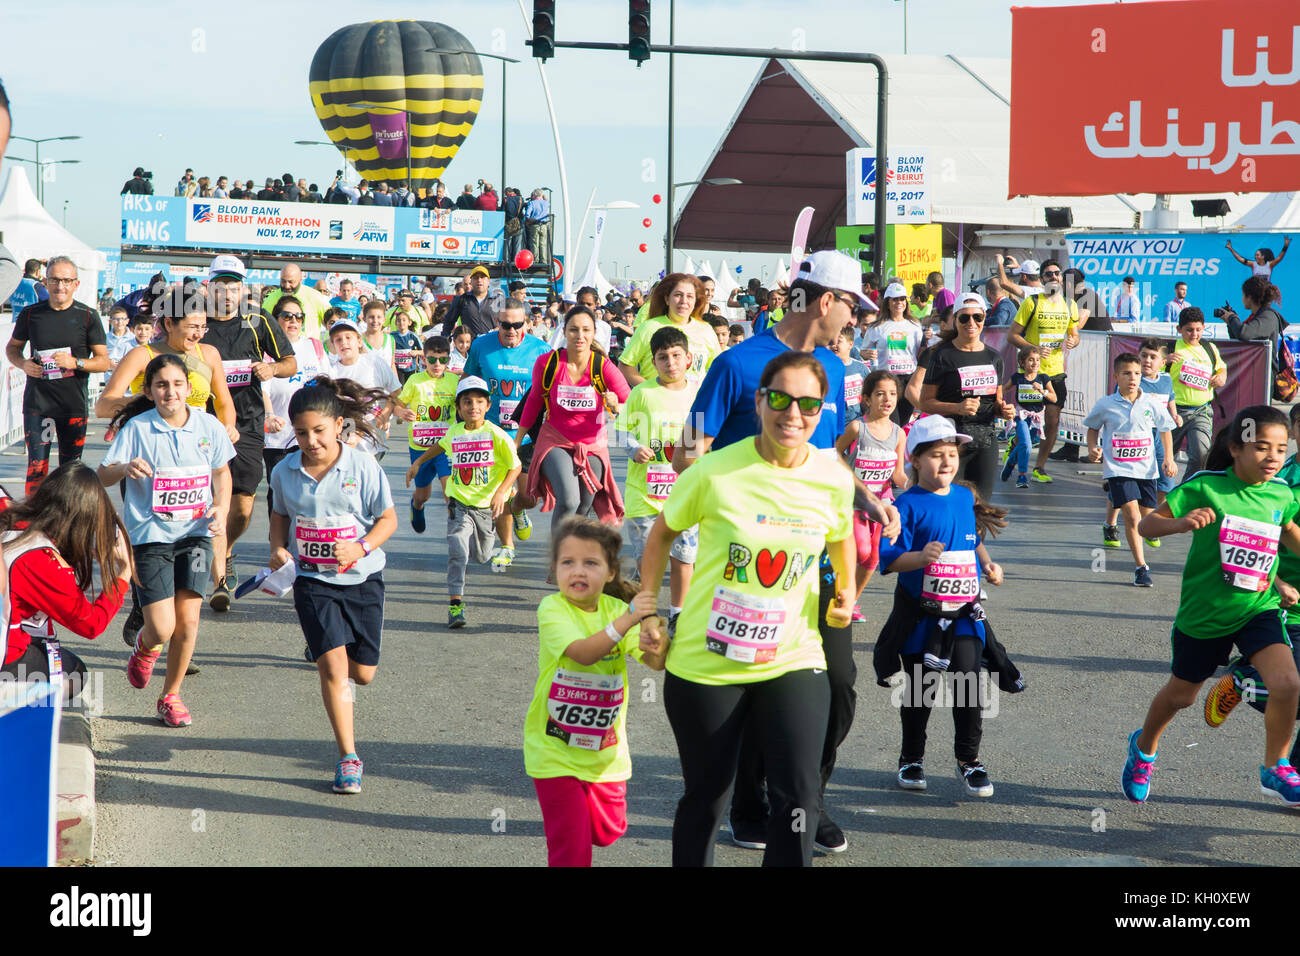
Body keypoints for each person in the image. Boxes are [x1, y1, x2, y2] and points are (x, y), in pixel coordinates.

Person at [675, 251, 898, 857]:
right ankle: (750, 809)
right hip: (745, 571)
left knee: (841, 688)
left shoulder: (830, 369)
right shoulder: (735, 363)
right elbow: (685, 451)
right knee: (750, 690)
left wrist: (869, 499)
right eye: (852, 306)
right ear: (825, 299)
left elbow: (831, 455)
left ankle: (802, 802)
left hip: (821, 566)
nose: (853, 319)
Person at [636, 351, 856, 866]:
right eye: (779, 398)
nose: (792, 413)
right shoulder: (714, 471)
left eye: (807, 403)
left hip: (792, 655)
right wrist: (649, 610)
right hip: (707, 661)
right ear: (759, 401)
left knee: (798, 797)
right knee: (707, 796)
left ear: (822, 411)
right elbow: (662, 532)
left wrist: (847, 588)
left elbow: (842, 535)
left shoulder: (833, 476)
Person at [1125, 405, 1300, 807]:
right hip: (1205, 615)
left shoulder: (1280, 493)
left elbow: (1286, 530)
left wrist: (1280, 579)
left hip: (1258, 607)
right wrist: (1180, 523)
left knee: (1288, 683)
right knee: (1182, 696)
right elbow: (1148, 524)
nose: (1272, 457)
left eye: (1279, 448)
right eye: (1261, 447)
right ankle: (1144, 749)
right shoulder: (1205, 486)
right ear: (1236, 448)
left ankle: (1276, 765)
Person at [873, 416, 1021, 798]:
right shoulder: (905, 505)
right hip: (921, 616)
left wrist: (988, 563)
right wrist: (920, 558)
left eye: (951, 454)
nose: (946, 462)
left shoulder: (963, 497)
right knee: (921, 692)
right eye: (936, 455)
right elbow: (888, 560)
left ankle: (969, 761)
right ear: (915, 460)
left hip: (965, 614)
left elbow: (971, 539)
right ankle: (911, 758)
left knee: (970, 686)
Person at [269, 377, 398, 793]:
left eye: (319, 431)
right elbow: (280, 517)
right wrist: (277, 549)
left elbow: (388, 520)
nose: (311, 441)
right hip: (312, 580)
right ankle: (348, 757)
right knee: (334, 669)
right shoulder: (284, 471)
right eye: (302, 433)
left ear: (339, 425)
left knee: (363, 674)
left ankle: (334, 650)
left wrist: (360, 547)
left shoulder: (363, 466)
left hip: (362, 578)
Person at [100, 354, 236, 726]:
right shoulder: (137, 429)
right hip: (150, 537)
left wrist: (221, 508)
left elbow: (222, 474)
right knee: (161, 627)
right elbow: (102, 476)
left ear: (189, 389)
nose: (170, 392)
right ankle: (145, 647)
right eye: (161, 385)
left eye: (177, 384)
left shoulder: (209, 427)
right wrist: (124, 468)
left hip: (194, 535)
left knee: (188, 622)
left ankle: (170, 696)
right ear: (149, 391)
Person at [524, 517, 666, 867]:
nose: (578, 571)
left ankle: (589, 823)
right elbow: (584, 654)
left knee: (607, 832)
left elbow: (654, 663)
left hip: (606, 755)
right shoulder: (552, 609)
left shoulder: (617, 610)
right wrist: (629, 619)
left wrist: (655, 640)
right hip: (554, 749)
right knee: (571, 852)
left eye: (591, 563)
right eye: (567, 562)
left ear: (611, 571)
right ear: (555, 569)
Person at [198, 254, 297, 611]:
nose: (228, 292)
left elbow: (291, 362)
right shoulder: (195, 320)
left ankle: (226, 549)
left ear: (242, 289)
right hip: (200, 422)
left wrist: (271, 370)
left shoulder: (256, 320)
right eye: (221, 285)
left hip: (248, 422)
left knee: (241, 505)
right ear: (209, 286)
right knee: (209, 502)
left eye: (235, 286)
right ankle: (217, 579)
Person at [0, 463, 132, 704]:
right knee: (74, 671)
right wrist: (123, 574)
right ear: (80, 521)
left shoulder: (12, 519)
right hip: (5, 660)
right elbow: (91, 624)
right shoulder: (42, 560)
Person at [405, 376, 521, 629]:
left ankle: (514, 512)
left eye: (479, 401)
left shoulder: (496, 434)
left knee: (482, 556)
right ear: (458, 408)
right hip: (459, 504)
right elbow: (439, 446)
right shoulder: (454, 432)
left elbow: (516, 465)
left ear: (488, 405)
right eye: (467, 402)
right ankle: (455, 605)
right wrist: (418, 463)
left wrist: (502, 492)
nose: (473, 407)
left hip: (486, 507)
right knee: (458, 547)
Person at [515, 306, 631, 538]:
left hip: (592, 445)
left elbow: (632, 403)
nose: (580, 336)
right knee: (569, 500)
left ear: (594, 332)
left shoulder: (603, 367)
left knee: (583, 506)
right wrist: (517, 441)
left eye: (586, 330)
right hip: (555, 440)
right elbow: (535, 401)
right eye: (574, 330)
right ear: (564, 332)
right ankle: (557, 564)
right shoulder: (548, 363)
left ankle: (573, 558)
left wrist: (617, 405)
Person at [5, 256, 111, 496]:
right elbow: (12, 348)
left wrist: (76, 362)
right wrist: (23, 364)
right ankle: (34, 524)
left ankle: (68, 521)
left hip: (72, 405)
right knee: (36, 467)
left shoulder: (88, 316)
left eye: (66, 280)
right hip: (38, 404)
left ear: (76, 284)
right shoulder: (31, 314)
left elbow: (103, 361)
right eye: (54, 280)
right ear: (45, 282)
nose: (60, 286)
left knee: (71, 471)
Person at [618, 326, 698, 625]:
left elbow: (701, 438)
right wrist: (634, 449)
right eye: (662, 357)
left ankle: (678, 613)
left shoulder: (697, 394)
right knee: (647, 558)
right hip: (644, 494)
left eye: (676, 355)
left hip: (684, 494)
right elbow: (622, 431)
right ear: (653, 361)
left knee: (683, 557)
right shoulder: (641, 394)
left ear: (688, 358)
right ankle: (646, 611)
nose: (670, 363)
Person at [1084, 352, 1177, 588]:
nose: (1133, 378)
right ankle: (1141, 568)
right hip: (1118, 470)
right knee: (1132, 516)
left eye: (1136, 373)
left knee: (1148, 518)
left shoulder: (1151, 403)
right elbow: (1092, 428)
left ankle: (1129, 540)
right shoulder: (1105, 404)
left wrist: (1168, 458)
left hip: (1146, 470)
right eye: (1126, 373)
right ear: (1116, 376)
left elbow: (1166, 429)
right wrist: (1093, 447)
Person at [919, 293, 1017, 501]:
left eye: (977, 317)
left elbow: (996, 401)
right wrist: (957, 408)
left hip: (985, 441)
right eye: (964, 318)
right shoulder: (942, 355)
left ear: (984, 318)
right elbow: (925, 402)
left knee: (981, 506)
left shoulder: (993, 357)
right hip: (952, 442)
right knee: (952, 504)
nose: (971, 322)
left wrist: (1004, 410)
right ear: (955, 320)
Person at [835, 370, 907, 622]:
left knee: (874, 557)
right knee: (862, 549)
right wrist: (846, 477)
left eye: (892, 394)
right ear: (866, 398)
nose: (887, 399)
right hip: (854, 500)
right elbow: (835, 453)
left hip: (882, 501)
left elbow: (898, 474)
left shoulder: (899, 433)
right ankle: (837, 590)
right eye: (879, 394)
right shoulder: (857, 428)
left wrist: (916, 484)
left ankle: (852, 600)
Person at [1006, 259, 1080, 483]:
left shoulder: (1069, 304)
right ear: (1042, 279)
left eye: (1057, 273)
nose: (1054, 277)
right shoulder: (1032, 303)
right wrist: (1033, 348)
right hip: (1032, 373)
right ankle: (1016, 443)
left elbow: (1075, 335)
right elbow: (1012, 335)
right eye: (1048, 274)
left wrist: (1072, 342)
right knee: (1029, 423)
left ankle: (1040, 466)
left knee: (1052, 421)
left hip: (1056, 373)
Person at [262, 296, 328, 517]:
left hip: (312, 436)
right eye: (287, 316)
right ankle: (278, 545)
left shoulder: (314, 347)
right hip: (278, 437)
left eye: (299, 316)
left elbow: (329, 385)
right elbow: (264, 389)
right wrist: (269, 416)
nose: (294, 320)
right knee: (280, 494)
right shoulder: (267, 350)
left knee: (310, 491)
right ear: (276, 320)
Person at [393, 335, 457, 532]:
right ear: (423, 360)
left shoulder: (455, 382)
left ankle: (457, 535)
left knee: (450, 494)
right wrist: (401, 412)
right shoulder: (415, 381)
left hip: (445, 447)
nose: (437, 364)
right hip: (420, 447)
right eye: (432, 359)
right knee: (423, 495)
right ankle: (416, 506)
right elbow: (398, 404)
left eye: (443, 359)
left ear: (448, 360)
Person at [619, 274, 719, 388]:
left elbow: (719, 368)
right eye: (678, 295)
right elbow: (625, 365)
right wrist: (649, 390)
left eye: (690, 296)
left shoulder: (706, 330)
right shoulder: (648, 327)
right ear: (667, 299)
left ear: (696, 301)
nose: (683, 301)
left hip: (694, 404)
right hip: (656, 403)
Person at [1167, 307, 1226, 477]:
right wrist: (1165, 360)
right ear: (1179, 329)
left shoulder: (1210, 348)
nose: (1194, 334)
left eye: (1198, 330)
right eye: (1189, 330)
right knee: (1164, 456)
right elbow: (1149, 373)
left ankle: (1185, 491)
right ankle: (1159, 493)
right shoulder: (1170, 348)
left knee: (1201, 455)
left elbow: (1221, 368)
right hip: (1173, 412)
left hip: (1201, 411)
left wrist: (1221, 376)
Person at [858, 282, 923, 426]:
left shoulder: (915, 326)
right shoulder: (876, 327)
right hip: (887, 380)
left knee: (903, 424)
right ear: (888, 302)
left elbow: (920, 353)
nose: (899, 302)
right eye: (895, 299)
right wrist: (867, 354)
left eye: (902, 299)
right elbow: (863, 351)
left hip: (909, 380)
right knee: (892, 423)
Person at [999, 347, 1056, 489]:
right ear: (1022, 363)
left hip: (1036, 419)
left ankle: (1011, 463)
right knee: (1026, 445)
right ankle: (1022, 476)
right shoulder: (1017, 378)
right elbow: (1003, 389)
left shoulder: (1043, 378)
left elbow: (1054, 398)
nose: (1035, 363)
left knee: (1023, 446)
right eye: (1031, 360)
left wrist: (1043, 391)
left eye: (1037, 360)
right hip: (1022, 416)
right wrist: (999, 402)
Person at [263, 264, 331, 340]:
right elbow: (262, 327)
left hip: (308, 349)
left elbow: (333, 321)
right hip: (280, 348)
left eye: (291, 282)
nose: (287, 286)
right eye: (283, 281)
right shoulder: (271, 299)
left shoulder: (315, 297)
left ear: (300, 280)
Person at [440, 266, 504, 339]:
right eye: (476, 278)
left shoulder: (498, 299)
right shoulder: (461, 299)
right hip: (470, 346)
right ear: (471, 281)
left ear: (488, 281)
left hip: (493, 344)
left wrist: (497, 330)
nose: (479, 280)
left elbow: (506, 322)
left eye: (482, 277)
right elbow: (449, 322)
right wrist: (445, 339)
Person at [1226, 275, 1285, 343]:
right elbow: (1239, 342)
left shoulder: (1268, 316)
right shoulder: (1259, 316)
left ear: (1250, 297)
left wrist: (1231, 318)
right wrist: (1230, 323)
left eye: (1243, 295)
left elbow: (1244, 334)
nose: (1242, 299)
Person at [830, 325, 869, 424]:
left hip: (856, 424)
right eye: (831, 342)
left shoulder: (861, 368)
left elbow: (868, 396)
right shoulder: (824, 369)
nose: (834, 345)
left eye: (838, 341)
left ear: (850, 344)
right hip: (834, 424)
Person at [1226, 237, 1290, 279]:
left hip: (1266, 292)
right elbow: (1240, 259)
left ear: (1263, 256)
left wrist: (1286, 246)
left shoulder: (1270, 265)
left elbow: (1279, 257)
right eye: (1255, 255)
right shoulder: (1253, 264)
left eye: (1257, 255)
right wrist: (1230, 248)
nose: (1255, 257)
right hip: (1256, 292)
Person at [391, 311, 423, 384]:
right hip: (397, 368)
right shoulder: (392, 335)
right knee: (400, 387)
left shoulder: (413, 336)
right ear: (396, 323)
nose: (401, 322)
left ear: (409, 322)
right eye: (398, 320)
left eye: (404, 320)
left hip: (410, 368)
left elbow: (424, 351)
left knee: (409, 387)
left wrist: (416, 352)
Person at [525, 189, 551, 265]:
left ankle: (535, 260)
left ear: (534, 195)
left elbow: (527, 215)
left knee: (534, 243)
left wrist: (528, 222)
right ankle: (543, 260)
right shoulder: (546, 203)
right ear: (542, 195)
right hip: (544, 225)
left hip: (535, 225)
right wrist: (543, 195)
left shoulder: (532, 203)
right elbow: (546, 200)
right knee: (543, 243)